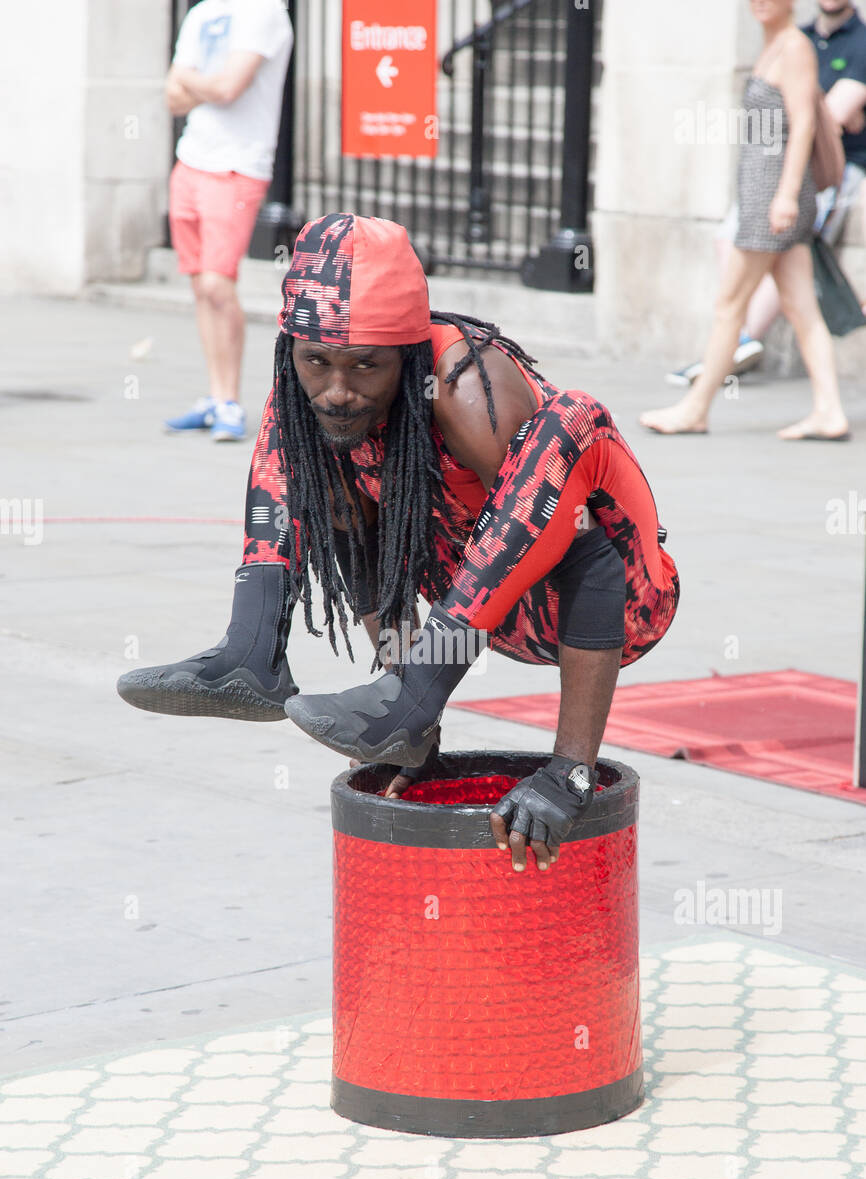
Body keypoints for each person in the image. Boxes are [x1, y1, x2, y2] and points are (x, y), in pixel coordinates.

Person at [118, 214, 680, 872]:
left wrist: (569, 773)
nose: (339, 386)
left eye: (366, 367)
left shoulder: (469, 390)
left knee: (570, 424)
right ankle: (257, 647)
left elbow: (592, 562)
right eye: (316, 360)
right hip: (469, 610)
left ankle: (413, 696)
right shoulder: (327, 393)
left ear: (408, 356)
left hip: (610, 604)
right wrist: (412, 741)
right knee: (303, 420)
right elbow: (365, 552)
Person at [642, 0, 850, 441]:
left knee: (730, 306)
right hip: (767, 197)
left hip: (771, 202)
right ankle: (829, 411)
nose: (759, 3)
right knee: (801, 308)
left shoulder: (794, 47)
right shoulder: (775, 44)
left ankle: (695, 407)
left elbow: (805, 123)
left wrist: (788, 195)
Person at [163, 0, 293, 442]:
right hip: (191, 161)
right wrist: (206, 85)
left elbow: (229, 89)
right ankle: (215, 396)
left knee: (219, 284)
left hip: (237, 167)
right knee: (201, 285)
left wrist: (194, 82)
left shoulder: (265, 12)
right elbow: (171, 95)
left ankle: (230, 401)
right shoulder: (202, 12)